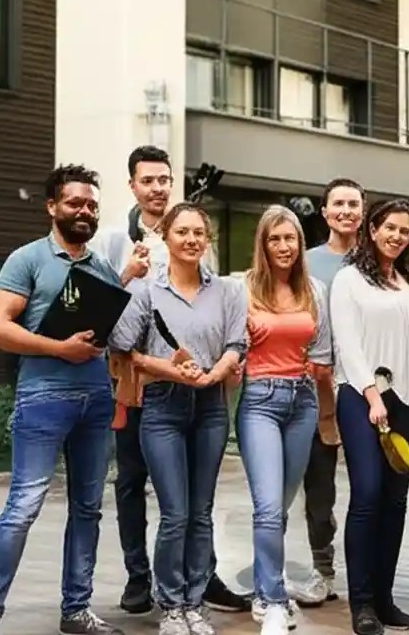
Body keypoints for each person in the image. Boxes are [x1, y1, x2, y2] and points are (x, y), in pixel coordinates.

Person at [0, 164, 125, 635]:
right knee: (25, 505)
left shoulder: (101, 269)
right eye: (75, 203)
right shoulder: (27, 259)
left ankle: (76, 610)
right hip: (42, 397)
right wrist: (59, 348)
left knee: (89, 508)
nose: (85, 211)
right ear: (52, 206)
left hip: (96, 397)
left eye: (92, 205)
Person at [107, 202, 246, 635]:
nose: (190, 240)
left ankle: (194, 601)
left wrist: (214, 375)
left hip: (209, 407)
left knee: (201, 511)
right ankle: (170, 604)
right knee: (175, 512)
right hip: (163, 406)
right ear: (166, 237)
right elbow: (123, 348)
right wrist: (169, 369)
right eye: (182, 232)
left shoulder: (227, 291)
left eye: (198, 233)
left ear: (208, 240)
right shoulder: (147, 291)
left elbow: (236, 344)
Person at [329, 198, 409, 635]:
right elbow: (348, 344)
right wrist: (372, 395)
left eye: (405, 231)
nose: (397, 236)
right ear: (372, 229)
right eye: (389, 227)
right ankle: (361, 605)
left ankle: (384, 598)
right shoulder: (348, 280)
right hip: (362, 397)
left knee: (396, 499)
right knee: (369, 493)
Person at [237, 205, 334, 633]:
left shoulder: (314, 289)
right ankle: (274, 601)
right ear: (263, 244)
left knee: (282, 504)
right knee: (269, 505)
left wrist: (328, 414)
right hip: (259, 399)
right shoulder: (242, 289)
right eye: (274, 239)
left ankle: (264, 588)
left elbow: (323, 353)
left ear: (300, 243)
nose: (283, 247)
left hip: (303, 400)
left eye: (289, 238)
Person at [90, 145, 171, 616]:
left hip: (178, 378)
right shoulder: (113, 240)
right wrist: (128, 274)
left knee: (183, 488)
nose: (157, 187)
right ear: (133, 186)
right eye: (148, 180)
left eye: (163, 179)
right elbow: (94, 309)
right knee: (130, 482)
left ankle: (188, 574)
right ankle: (138, 577)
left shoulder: (188, 231)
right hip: (130, 380)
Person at [296, 177, 366, 605]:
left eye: (353, 204)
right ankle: (323, 569)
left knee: (369, 484)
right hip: (314, 389)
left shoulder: (378, 260)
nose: (346, 211)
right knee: (319, 485)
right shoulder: (303, 262)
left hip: (367, 390)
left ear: (363, 211)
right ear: (324, 212)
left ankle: (369, 569)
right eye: (338, 203)